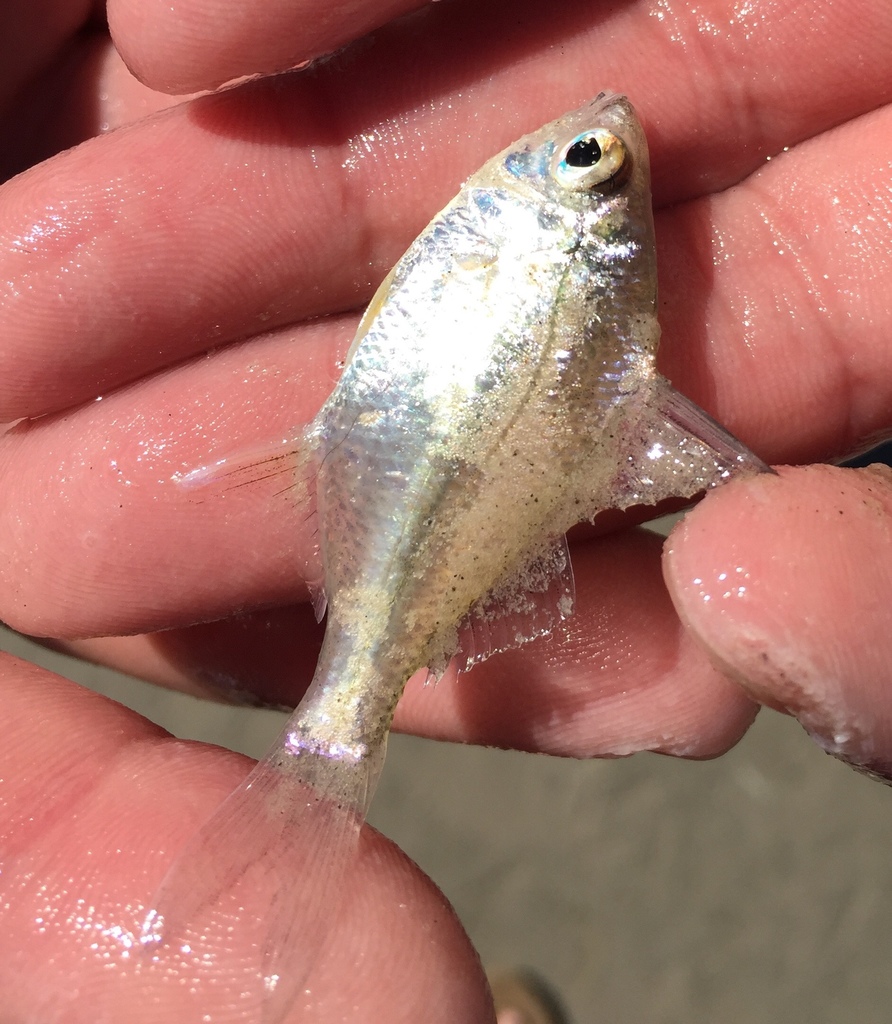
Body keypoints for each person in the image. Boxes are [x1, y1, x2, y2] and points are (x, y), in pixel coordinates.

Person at [1, 0, 891, 1019]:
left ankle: (330, 755)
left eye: (589, 160)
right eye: (596, 157)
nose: (603, 123)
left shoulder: (527, 239)